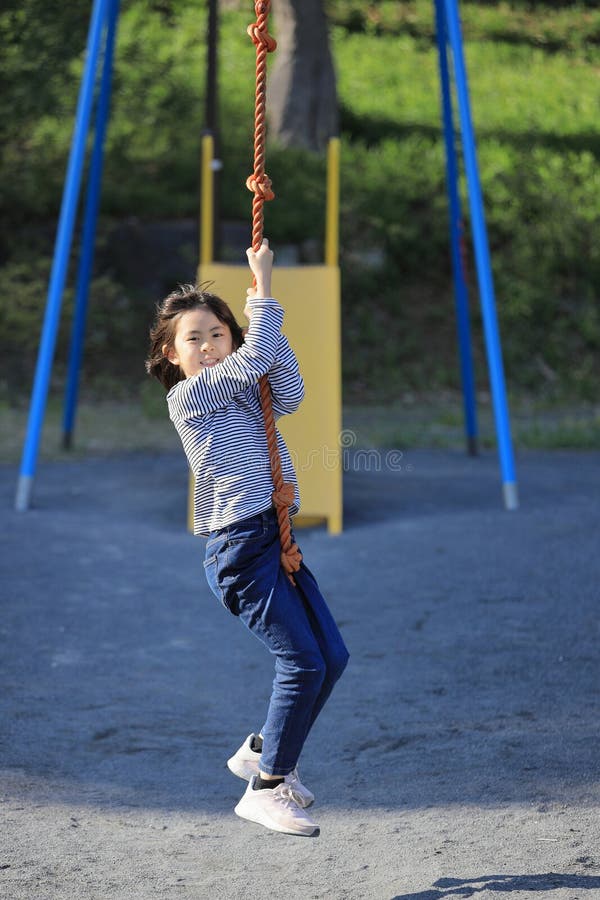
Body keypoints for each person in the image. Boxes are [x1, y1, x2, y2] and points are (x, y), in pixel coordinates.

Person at [146, 239, 349, 837]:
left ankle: (263, 750)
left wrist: (263, 322)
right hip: (238, 549)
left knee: (331, 657)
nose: (207, 346)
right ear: (171, 353)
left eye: (217, 334)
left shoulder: (244, 380)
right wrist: (262, 288)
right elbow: (253, 359)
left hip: (272, 537)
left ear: (230, 339)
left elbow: (288, 386)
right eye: (193, 338)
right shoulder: (191, 396)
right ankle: (264, 788)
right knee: (301, 660)